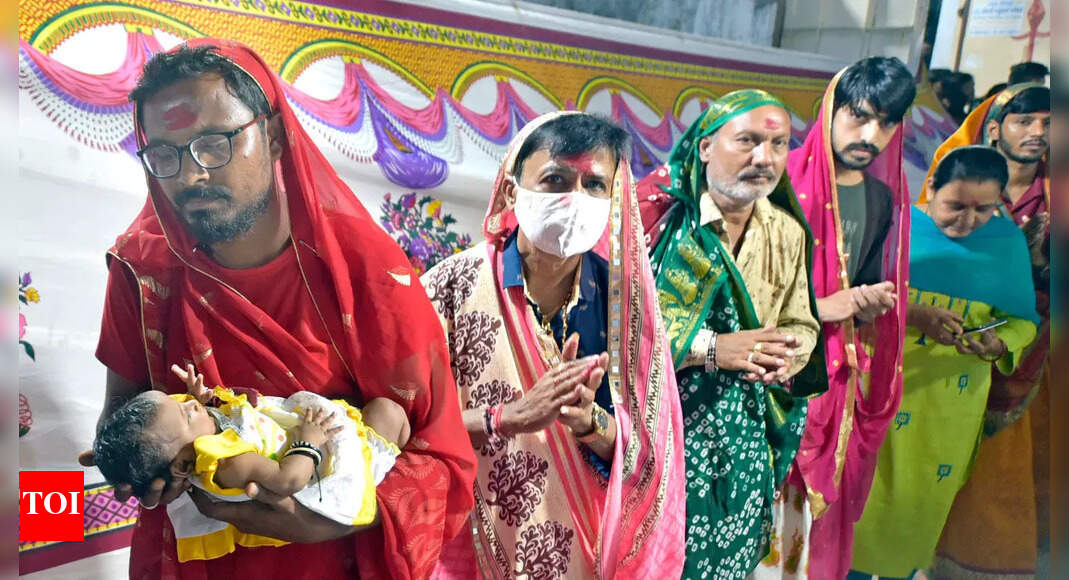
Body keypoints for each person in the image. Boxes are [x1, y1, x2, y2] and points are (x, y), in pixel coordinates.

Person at [77, 39, 476, 579]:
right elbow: (123, 410)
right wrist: (145, 466)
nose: (189, 176)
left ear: (274, 135)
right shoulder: (143, 271)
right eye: (165, 154)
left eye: (213, 144)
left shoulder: (366, 274)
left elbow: (444, 462)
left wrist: (343, 516)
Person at [423, 112, 686, 579]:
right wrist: (507, 418)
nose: (575, 199)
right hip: (467, 548)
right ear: (510, 190)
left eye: (594, 185)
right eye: (556, 179)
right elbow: (402, 431)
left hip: (582, 557)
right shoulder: (450, 289)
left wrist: (591, 424)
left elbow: (651, 458)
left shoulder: (625, 308)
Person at [637, 89, 827, 579]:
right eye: (747, 141)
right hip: (662, 433)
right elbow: (623, 329)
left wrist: (788, 355)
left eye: (779, 144)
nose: (764, 158)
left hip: (746, 437)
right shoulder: (658, 223)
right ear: (705, 146)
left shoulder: (786, 232)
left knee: (727, 559)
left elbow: (801, 322)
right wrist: (714, 349)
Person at [851, 146, 1039, 579]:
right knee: (860, 504)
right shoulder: (895, 227)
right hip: (879, 390)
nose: (967, 221)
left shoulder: (1006, 242)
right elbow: (850, 301)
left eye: (983, 209)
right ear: (930, 188)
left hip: (949, 406)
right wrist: (914, 316)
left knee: (917, 510)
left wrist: (999, 344)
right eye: (956, 205)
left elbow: (1024, 320)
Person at [785, 55, 915, 580]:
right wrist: (821, 308)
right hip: (770, 378)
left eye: (886, 122)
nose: (871, 133)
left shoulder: (883, 200)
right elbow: (736, 297)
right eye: (859, 115)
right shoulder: (779, 180)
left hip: (836, 380)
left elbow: (857, 279)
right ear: (830, 108)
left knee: (818, 530)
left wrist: (869, 305)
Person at [921, 83, 1051, 580]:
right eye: (1024, 122)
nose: (1037, 133)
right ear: (995, 128)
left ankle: (979, 563)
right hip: (939, 345)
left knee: (1007, 468)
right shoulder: (956, 182)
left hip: (1031, 350)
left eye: (1047, 122)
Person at [94, 364, 409, 562]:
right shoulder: (230, 465)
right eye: (186, 414)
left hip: (311, 448)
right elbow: (289, 480)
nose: (189, 403)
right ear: (181, 467)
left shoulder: (196, 447)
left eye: (182, 402)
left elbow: (213, 424)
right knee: (389, 415)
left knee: (387, 415)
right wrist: (310, 440)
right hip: (323, 474)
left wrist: (201, 399)